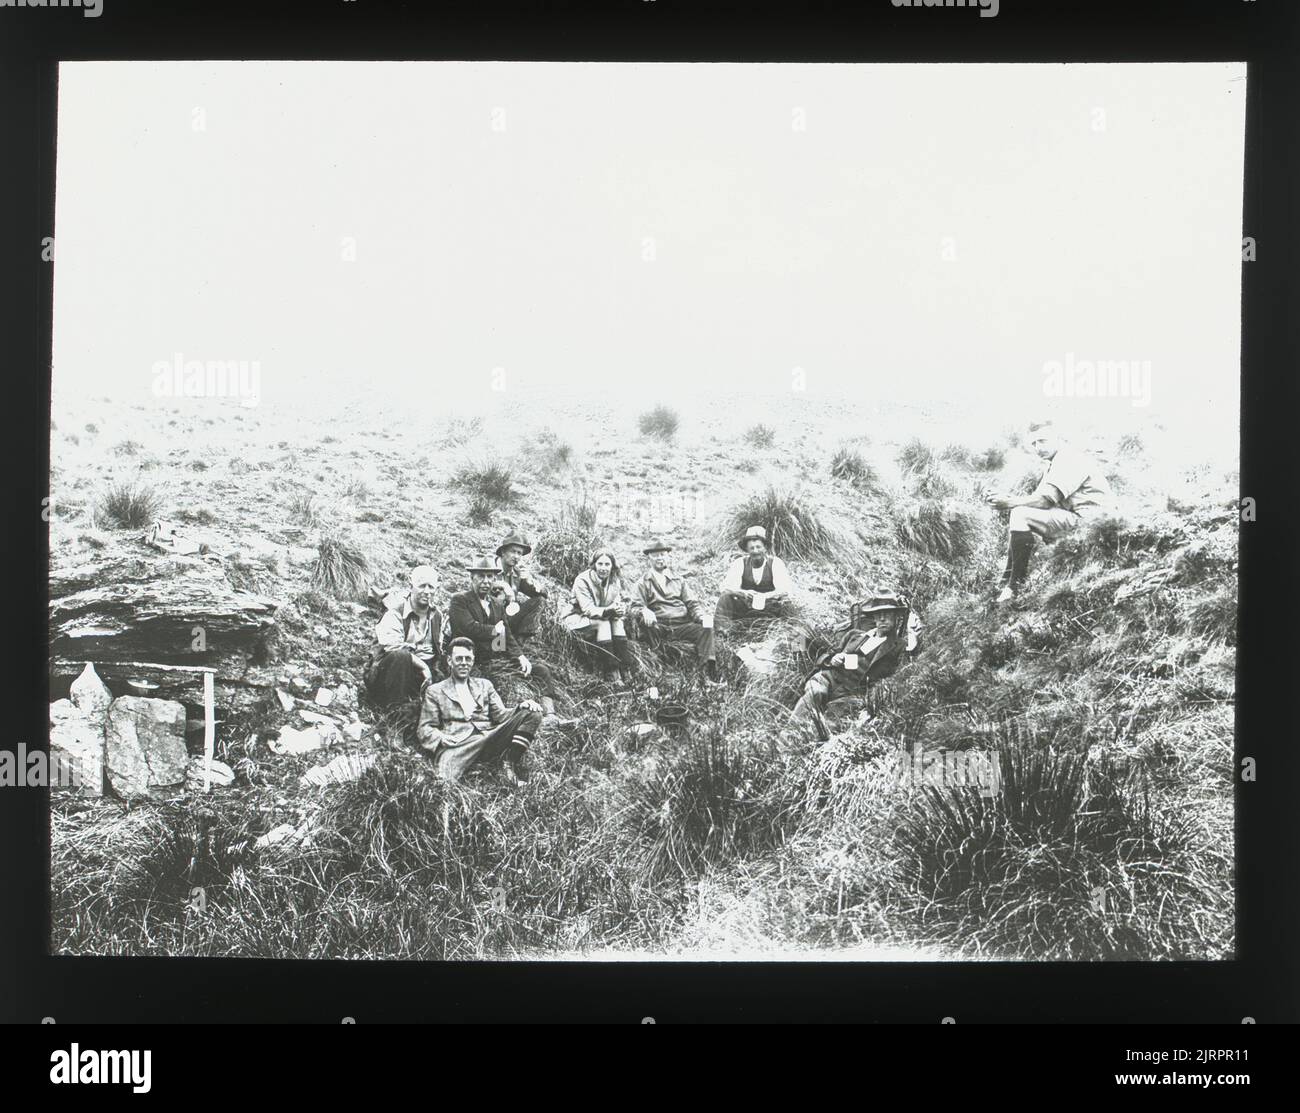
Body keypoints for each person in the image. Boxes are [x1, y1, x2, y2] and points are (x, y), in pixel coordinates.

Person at [985, 419, 1110, 603]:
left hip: (1093, 523)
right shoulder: (1055, 461)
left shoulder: (1069, 458)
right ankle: (1007, 578)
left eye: (1042, 441)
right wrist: (1004, 497)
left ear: (1057, 437)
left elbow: (1044, 501)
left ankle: (1013, 586)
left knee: (1019, 514)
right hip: (1080, 518)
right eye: (1033, 443)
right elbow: (1036, 500)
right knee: (1019, 512)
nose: (1038, 447)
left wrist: (1009, 502)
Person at [448, 555, 575, 727]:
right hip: (473, 663)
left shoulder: (496, 605)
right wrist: (494, 630)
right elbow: (468, 628)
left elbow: (506, 633)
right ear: (472, 577)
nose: (486, 581)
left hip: (497, 659)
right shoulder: (460, 600)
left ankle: (551, 716)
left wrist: (520, 656)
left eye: (490, 577)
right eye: (481, 576)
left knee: (541, 670)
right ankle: (509, 721)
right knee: (490, 686)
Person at [789, 593, 922, 739]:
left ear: (896, 617)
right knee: (814, 694)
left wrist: (913, 636)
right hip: (829, 678)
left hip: (853, 693)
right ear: (873, 617)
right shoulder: (854, 635)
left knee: (827, 726)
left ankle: (802, 746)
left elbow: (908, 667)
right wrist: (832, 659)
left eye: (887, 614)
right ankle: (785, 740)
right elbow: (825, 655)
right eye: (878, 614)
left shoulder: (899, 646)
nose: (882, 618)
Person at [416, 637, 543, 785]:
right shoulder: (435, 691)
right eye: (459, 659)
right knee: (443, 783)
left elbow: (501, 715)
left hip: (490, 737)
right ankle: (474, 771)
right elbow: (425, 727)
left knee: (533, 713)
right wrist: (441, 737)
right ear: (449, 661)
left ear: (473, 660)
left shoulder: (484, 685)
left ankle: (508, 764)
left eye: (468, 659)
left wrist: (521, 707)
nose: (464, 663)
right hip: (460, 744)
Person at [632, 537, 722, 684]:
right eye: (655, 555)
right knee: (647, 626)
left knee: (706, 628)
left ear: (668, 556)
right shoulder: (643, 583)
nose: (660, 558)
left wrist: (701, 616)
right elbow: (634, 606)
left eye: (663, 554)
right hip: (659, 626)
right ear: (649, 558)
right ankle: (659, 673)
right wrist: (644, 610)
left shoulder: (679, 580)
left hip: (681, 625)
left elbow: (692, 603)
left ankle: (706, 674)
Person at [364, 564, 448, 706]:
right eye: (422, 586)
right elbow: (392, 648)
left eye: (431, 587)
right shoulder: (395, 613)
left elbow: (438, 648)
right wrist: (423, 666)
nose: (427, 591)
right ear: (411, 584)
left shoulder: (437, 615)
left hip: (421, 674)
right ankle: (395, 712)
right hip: (391, 673)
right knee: (400, 656)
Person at [564, 548, 635, 686]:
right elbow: (588, 609)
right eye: (600, 564)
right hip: (577, 617)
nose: (603, 568)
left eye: (607, 564)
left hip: (601, 615)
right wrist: (609, 610)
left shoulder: (614, 580)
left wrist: (620, 609)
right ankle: (611, 671)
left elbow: (616, 602)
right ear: (594, 565)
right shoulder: (582, 580)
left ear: (612, 566)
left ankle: (625, 668)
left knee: (617, 622)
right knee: (603, 623)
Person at [715, 525, 794, 623]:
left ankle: (786, 632)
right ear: (747, 550)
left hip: (769, 608)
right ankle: (722, 632)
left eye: (758, 547)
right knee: (725, 597)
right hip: (745, 608)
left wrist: (766, 596)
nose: (755, 551)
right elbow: (725, 587)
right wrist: (743, 593)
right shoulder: (740, 563)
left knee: (787, 603)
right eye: (751, 548)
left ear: (765, 548)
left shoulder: (775, 563)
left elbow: (785, 590)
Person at [495, 530, 548, 643]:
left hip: (508, 619)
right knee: (496, 654)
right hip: (488, 619)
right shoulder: (491, 566)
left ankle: (519, 641)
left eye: (519, 553)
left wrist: (530, 581)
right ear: (503, 552)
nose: (516, 556)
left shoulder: (517, 573)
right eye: (513, 552)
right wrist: (504, 586)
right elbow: (481, 587)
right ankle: (500, 644)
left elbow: (542, 594)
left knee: (540, 601)